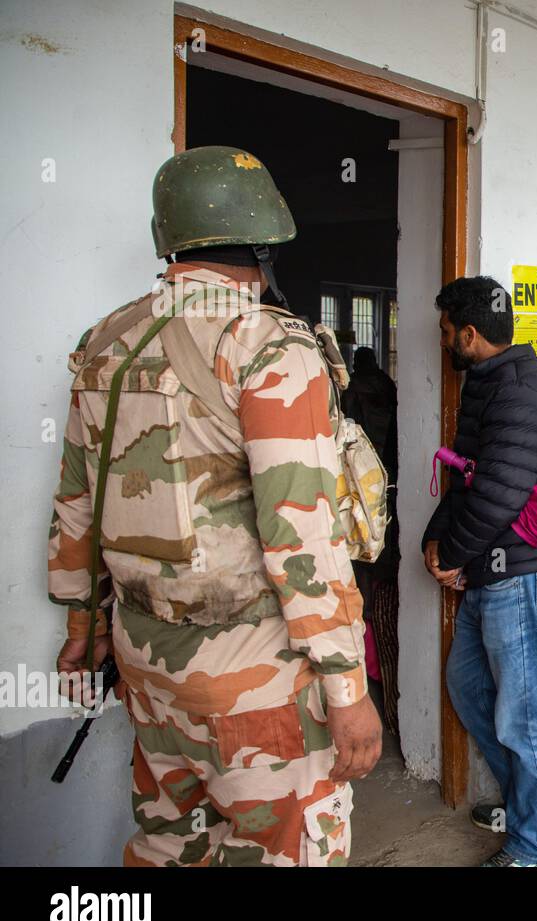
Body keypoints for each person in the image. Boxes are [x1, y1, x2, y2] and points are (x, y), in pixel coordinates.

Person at [50, 146, 380, 866]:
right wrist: (347, 687)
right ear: (264, 243)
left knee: (171, 846)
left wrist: (84, 629)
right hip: (251, 675)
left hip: (143, 661)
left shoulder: (105, 340)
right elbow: (304, 538)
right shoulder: (267, 345)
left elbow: (75, 502)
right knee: (288, 847)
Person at [423, 275, 537, 868]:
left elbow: (499, 493)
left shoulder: (515, 389)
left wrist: (454, 554)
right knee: (468, 683)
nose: (441, 342)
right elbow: (468, 476)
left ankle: (536, 843)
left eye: (445, 333)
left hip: (526, 571)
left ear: (468, 335)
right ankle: (530, 805)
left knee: (526, 713)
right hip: (498, 567)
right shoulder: (488, 382)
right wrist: (436, 539)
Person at [342, 346, 401, 736]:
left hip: (360, 486)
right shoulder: (388, 386)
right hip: (386, 482)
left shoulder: (352, 391)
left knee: (364, 578)